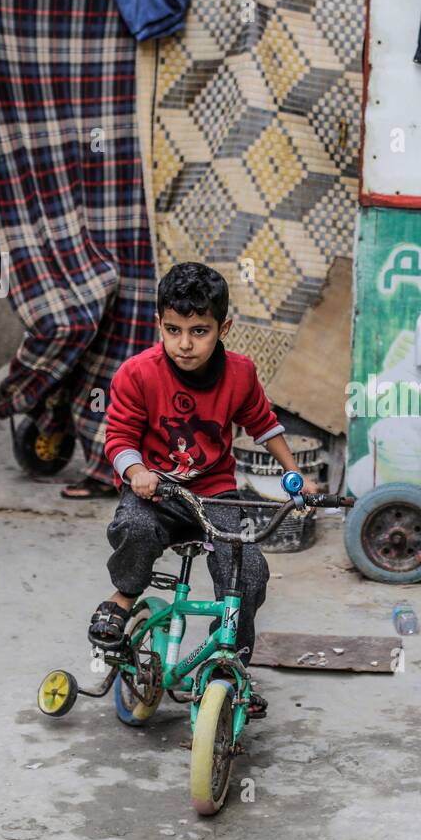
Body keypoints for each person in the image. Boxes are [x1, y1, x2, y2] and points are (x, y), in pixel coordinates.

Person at [88, 262, 317, 717]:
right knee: (135, 526)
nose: (185, 344)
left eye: (199, 331)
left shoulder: (240, 374)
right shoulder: (137, 374)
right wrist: (137, 471)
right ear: (159, 324)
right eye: (173, 330)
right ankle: (124, 596)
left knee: (249, 574)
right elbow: (118, 438)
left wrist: (296, 476)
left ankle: (230, 665)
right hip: (156, 492)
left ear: (223, 328)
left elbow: (264, 424)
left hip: (214, 495)